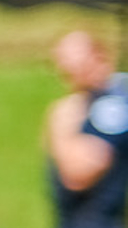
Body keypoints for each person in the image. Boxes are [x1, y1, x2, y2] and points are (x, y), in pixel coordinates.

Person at [46, 30, 128, 227]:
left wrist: (62, 125)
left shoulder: (112, 105)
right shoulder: (91, 103)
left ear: (98, 57)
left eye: (73, 59)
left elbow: (77, 175)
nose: (65, 66)